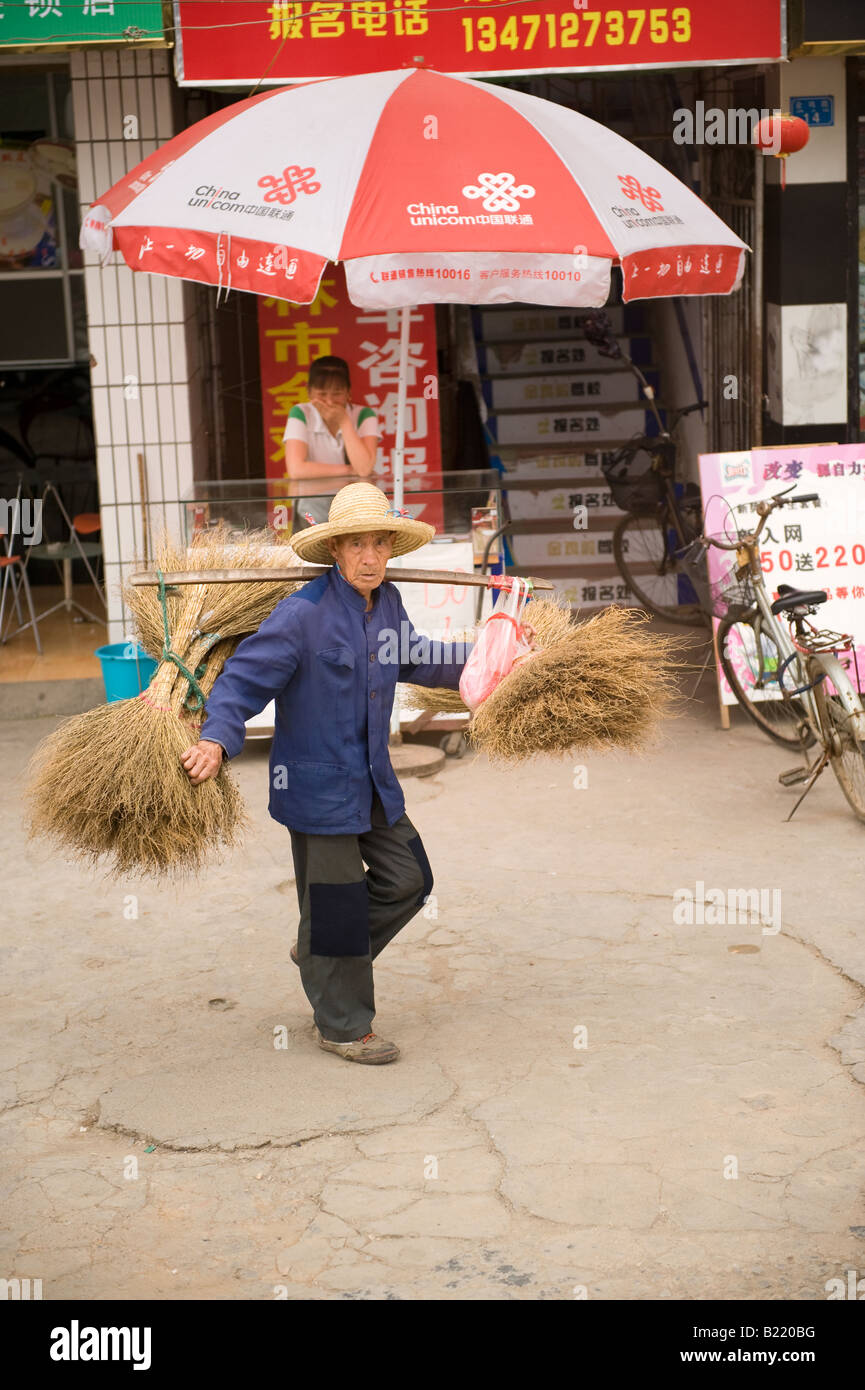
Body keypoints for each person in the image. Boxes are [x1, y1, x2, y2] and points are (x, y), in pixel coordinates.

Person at [179, 483, 473, 1066]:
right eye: (357, 545)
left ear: (391, 548)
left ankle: (319, 953)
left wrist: (494, 662)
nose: (370, 557)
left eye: (379, 544)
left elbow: (415, 656)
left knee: (410, 879)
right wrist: (216, 738)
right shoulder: (302, 616)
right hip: (314, 789)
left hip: (370, 782)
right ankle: (344, 1025)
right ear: (336, 550)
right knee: (338, 905)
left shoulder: (386, 604)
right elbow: (242, 680)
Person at [282, 355, 379, 530]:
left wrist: (344, 421)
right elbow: (296, 470)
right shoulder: (300, 413)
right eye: (321, 394)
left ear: (348, 392)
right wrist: (350, 471)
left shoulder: (364, 415)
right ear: (309, 392)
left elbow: (364, 469)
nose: (329, 401)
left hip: (356, 508)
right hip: (311, 510)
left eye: (337, 394)